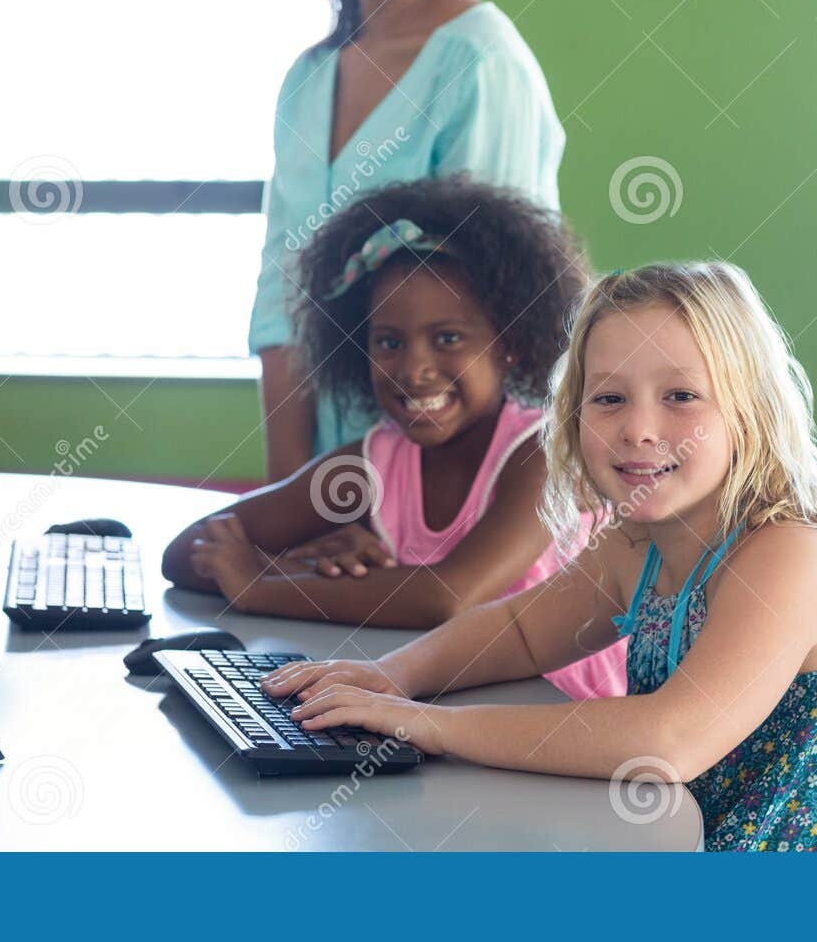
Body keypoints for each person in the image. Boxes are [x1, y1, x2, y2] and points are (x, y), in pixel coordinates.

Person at [256, 262, 817, 850]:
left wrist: (428, 724)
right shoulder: (635, 542)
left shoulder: (787, 554)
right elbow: (518, 629)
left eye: (680, 396)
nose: (639, 429)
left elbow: (668, 740)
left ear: (749, 412)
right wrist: (393, 675)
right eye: (609, 398)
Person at [167, 178, 624, 700]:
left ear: (510, 345)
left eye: (448, 338)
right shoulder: (374, 464)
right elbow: (188, 552)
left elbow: (448, 595)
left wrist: (258, 587)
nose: (415, 368)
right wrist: (303, 564)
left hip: (559, 715)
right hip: (440, 703)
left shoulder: (544, 455)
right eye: (388, 342)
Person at [252, 0, 568, 482]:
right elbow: (282, 308)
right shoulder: (307, 81)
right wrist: (290, 498)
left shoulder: (482, 62)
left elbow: (492, 315)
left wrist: (421, 515)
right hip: (336, 480)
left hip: (454, 490)